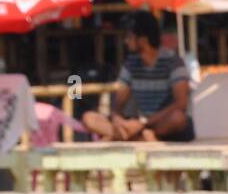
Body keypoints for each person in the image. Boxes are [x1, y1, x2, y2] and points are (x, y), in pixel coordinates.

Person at [82, 12, 194, 142]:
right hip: (136, 124)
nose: (126, 41)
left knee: (178, 118)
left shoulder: (174, 62)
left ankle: (138, 136)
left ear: (143, 40)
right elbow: (117, 104)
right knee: (88, 118)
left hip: (161, 123)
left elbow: (181, 104)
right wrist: (117, 118)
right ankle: (138, 136)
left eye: (129, 37)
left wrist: (143, 123)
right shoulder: (131, 63)